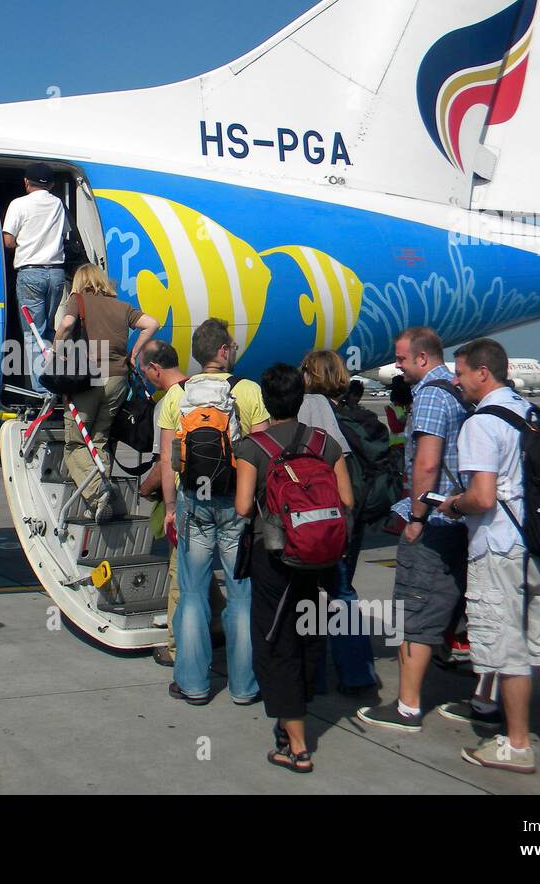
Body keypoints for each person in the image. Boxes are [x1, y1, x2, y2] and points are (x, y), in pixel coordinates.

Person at [438, 338, 540, 773]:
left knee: (507, 651)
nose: (457, 380)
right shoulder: (536, 414)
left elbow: (483, 497)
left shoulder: (481, 424)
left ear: (483, 373)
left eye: (462, 372)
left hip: (498, 548)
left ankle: (517, 744)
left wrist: (453, 504)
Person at [357, 326, 500, 731]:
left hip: (437, 520)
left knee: (416, 612)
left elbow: (426, 463)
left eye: (401, 359)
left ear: (422, 358)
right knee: (476, 614)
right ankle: (486, 704)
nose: (397, 366)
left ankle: (407, 707)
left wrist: (416, 518)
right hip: (465, 521)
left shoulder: (433, 395)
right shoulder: (457, 391)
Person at [236, 363, 353, 772]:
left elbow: (243, 507)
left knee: (275, 641)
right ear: (302, 399)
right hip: (319, 556)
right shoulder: (325, 443)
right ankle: (296, 715)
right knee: (308, 634)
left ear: (266, 401)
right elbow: (346, 501)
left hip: (275, 557)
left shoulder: (255, 446)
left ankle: (297, 746)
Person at [158, 318, 269, 705]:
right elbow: (263, 451)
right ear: (223, 352)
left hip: (193, 504)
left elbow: (168, 459)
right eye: (232, 345)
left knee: (191, 594)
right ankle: (243, 686)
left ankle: (192, 683)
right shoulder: (247, 390)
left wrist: (171, 507)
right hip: (236, 503)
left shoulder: (177, 394)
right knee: (241, 596)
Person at [137, 339, 224, 668]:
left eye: (146, 372)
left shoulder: (170, 400)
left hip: (188, 498)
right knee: (207, 566)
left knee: (180, 577)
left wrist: (150, 492)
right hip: (224, 495)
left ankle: (176, 648)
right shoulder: (211, 388)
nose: (146, 378)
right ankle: (219, 622)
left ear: (156, 369)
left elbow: (165, 464)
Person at [298, 349, 378, 694]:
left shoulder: (310, 407)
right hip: (352, 514)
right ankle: (357, 673)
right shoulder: (353, 411)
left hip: (321, 514)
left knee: (312, 590)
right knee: (343, 591)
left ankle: (311, 673)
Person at [53, 264, 159, 520]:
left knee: (76, 443)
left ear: (80, 282)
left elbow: (67, 324)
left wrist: (56, 350)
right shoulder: (122, 307)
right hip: (118, 380)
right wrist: (134, 353)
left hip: (89, 380)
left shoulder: (77, 301)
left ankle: (97, 491)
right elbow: (152, 323)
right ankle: (105, 505)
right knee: (99, 439)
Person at [2, 163, 68, 386]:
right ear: (50, 184)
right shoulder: (58, 203)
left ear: (26, 182)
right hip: (56, 273)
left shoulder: (19, 204)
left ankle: (42, 388)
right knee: (47, 331)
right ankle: (54, 382)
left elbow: (8, 241)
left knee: (33, 334)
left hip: (31, 272)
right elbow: (65, 233)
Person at [385, 377, 411, 454]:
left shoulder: (410, 405)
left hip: (410, 446)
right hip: (397, 447)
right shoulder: (392, 407)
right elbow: (395, 428)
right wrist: (407, 418)